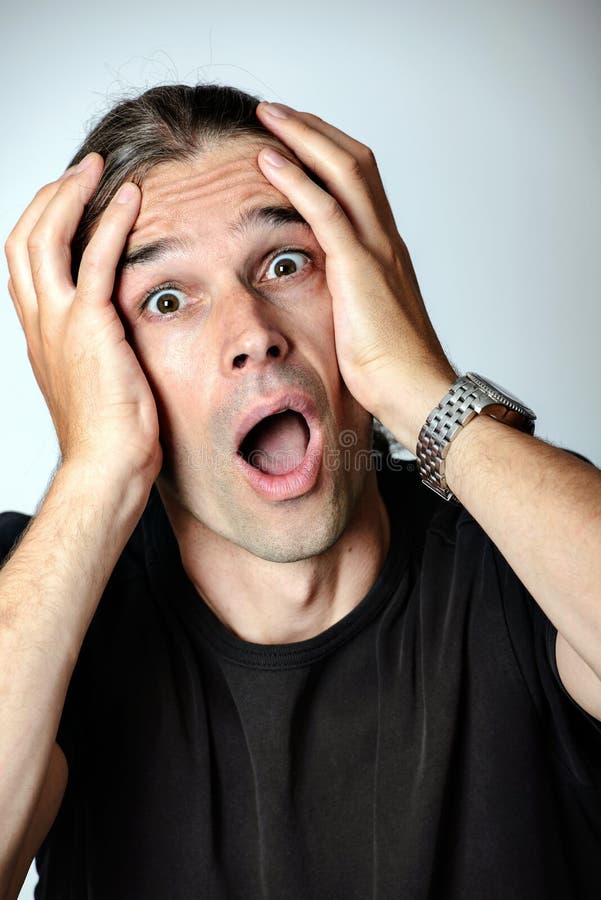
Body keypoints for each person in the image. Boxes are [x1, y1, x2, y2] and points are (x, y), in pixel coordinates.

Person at [1, 84, 600, 900]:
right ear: (101, 358)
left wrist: (421, 389)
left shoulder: (522, 561)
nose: (251, 333)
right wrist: (97, 466)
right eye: (167, 300)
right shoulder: (38, 598)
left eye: (287, 264)